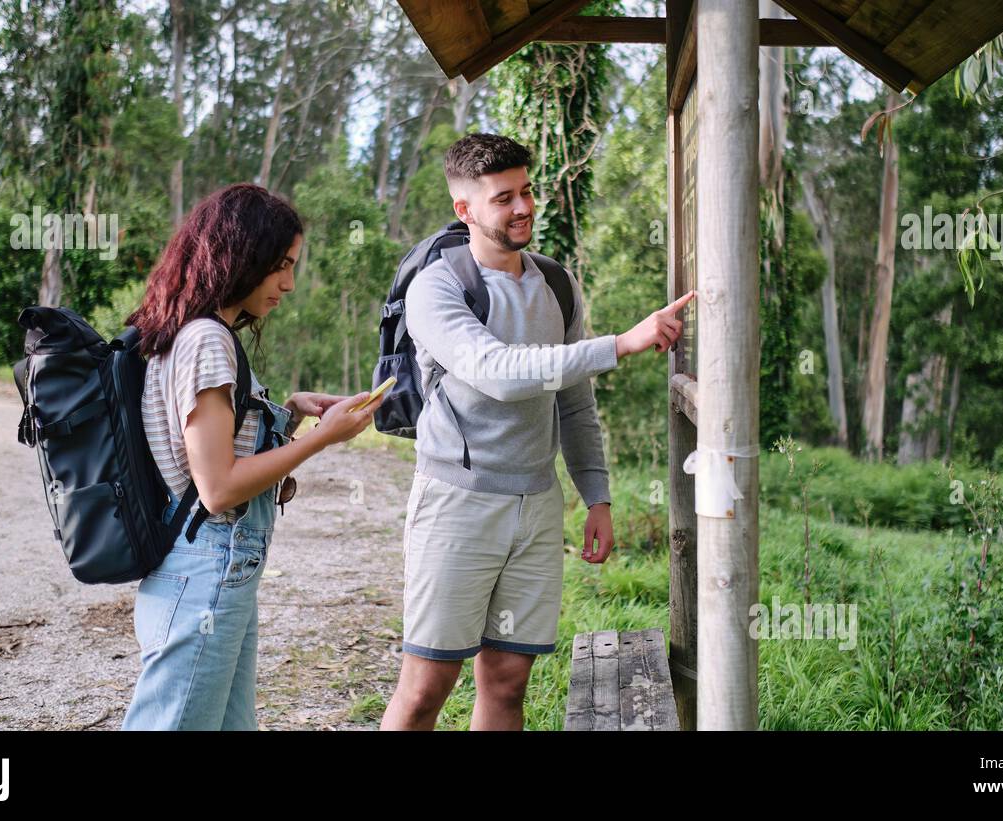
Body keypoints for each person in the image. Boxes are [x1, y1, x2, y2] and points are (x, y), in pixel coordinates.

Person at [380, 133, 695, 730]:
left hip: (538, 504)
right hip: (457, 505)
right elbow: (497, 373)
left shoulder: (557, 282)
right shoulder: (438, 287)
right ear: (465, 210)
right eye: (504, 198)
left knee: (507, 683)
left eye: (527, 192)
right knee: (426, 689)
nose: (524, 207)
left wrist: (596, 495)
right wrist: (622, 343)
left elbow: (573, 400)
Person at [121, 182, 381, 730]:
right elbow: (217, 487)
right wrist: (321, 439)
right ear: (241, 257)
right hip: (207, 569)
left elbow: (214, 448)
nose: (288, 283)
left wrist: (287, 414)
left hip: (212, 571)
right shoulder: (207, 341)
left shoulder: (186, 330)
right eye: (279, 265)